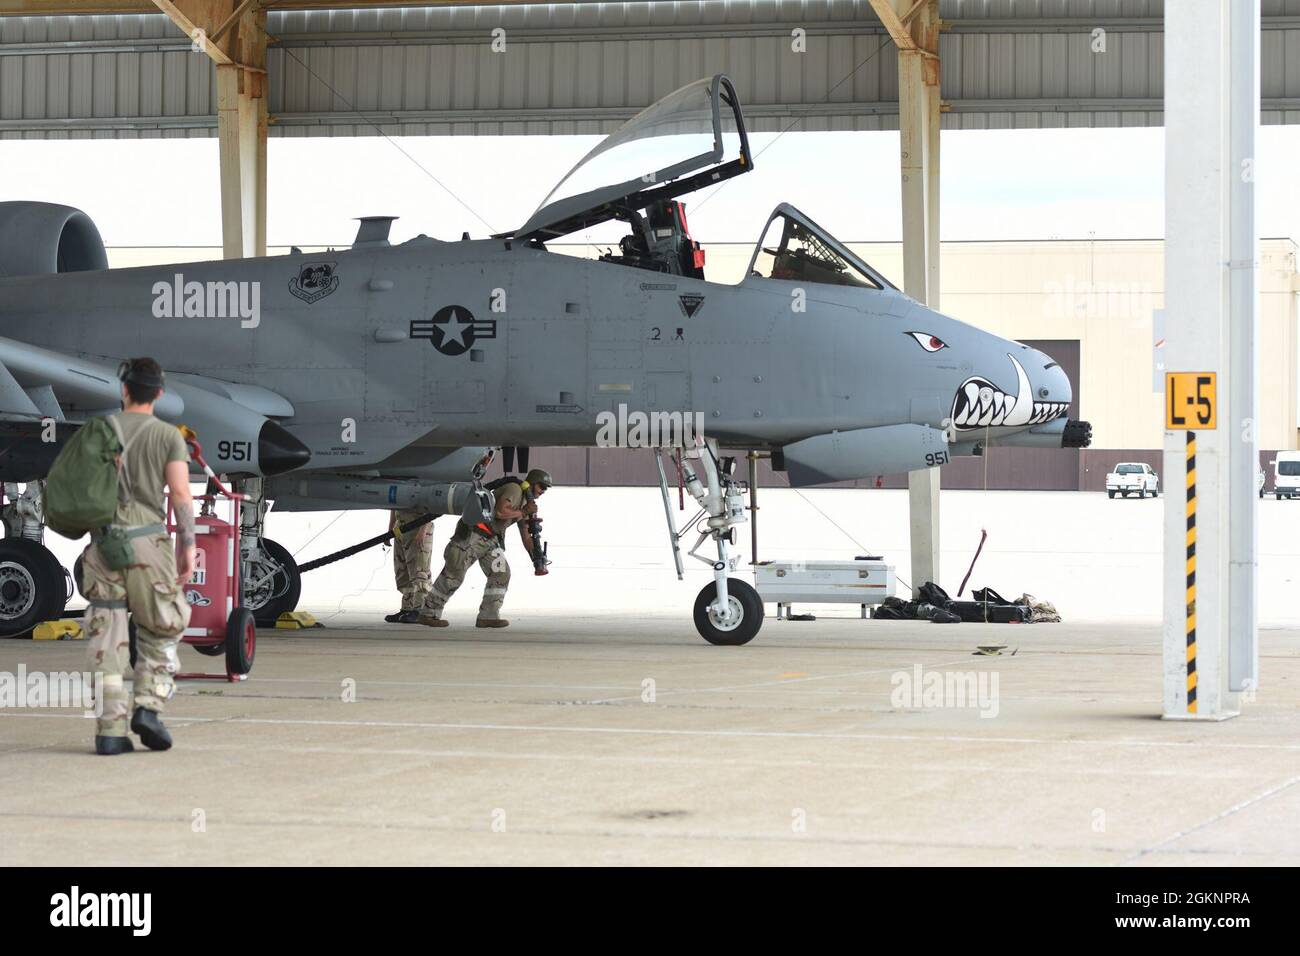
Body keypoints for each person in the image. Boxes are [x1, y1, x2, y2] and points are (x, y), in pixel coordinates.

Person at [82, 357, 195, 755]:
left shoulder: (98, 431)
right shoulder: (167, 435)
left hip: (103, 545)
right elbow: (180, 494)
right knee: (164, 624)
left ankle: (110, 731)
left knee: (107, 637)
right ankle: (148, 706)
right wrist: (188, 546)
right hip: (148, 543)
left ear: (124, 390)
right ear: (159, 393)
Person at [418, 468, 552, 629]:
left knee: (501, 573)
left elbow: (526, 535)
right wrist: (523, 511)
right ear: (532, 483)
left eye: (545, 488)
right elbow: (500, 512)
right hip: (474, 533)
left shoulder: (527, 504)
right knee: (454, 574)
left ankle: (488, 615)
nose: (543, 491)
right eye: (541, 486)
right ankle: (429, 613)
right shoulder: (515, 489)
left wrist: (536, 557)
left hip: (490, 539)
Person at [384, 508, 433, 623]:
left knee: (419, 571)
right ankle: (407, 608)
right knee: (403, 571)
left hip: (417, 527)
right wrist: (390, 529)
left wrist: (423, 530)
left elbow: (431, 506)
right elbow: (393, 506)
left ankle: (419, 610)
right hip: (400, 528)